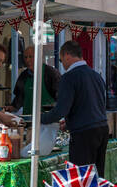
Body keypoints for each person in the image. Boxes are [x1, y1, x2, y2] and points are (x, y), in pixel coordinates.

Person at [41, 40, 110, 173]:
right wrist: (69, 122)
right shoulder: (96, 75)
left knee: (81, 177)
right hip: (102, 129)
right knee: (97, 175)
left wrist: (40, 119)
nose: (63, 65)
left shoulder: (68, 78)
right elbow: (90, 104)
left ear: (67, 55)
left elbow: (61, 110)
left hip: (84, 133)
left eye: (61, 61)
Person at [12, 43, 59, 118]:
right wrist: (9, 109)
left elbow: (60, 97)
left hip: (49, 121)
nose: (27, 60)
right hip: (28, 120)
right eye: (25, 57)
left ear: (38, 57)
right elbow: (18, 99)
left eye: (31, 57)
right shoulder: (23, 76)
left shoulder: (51, 73)